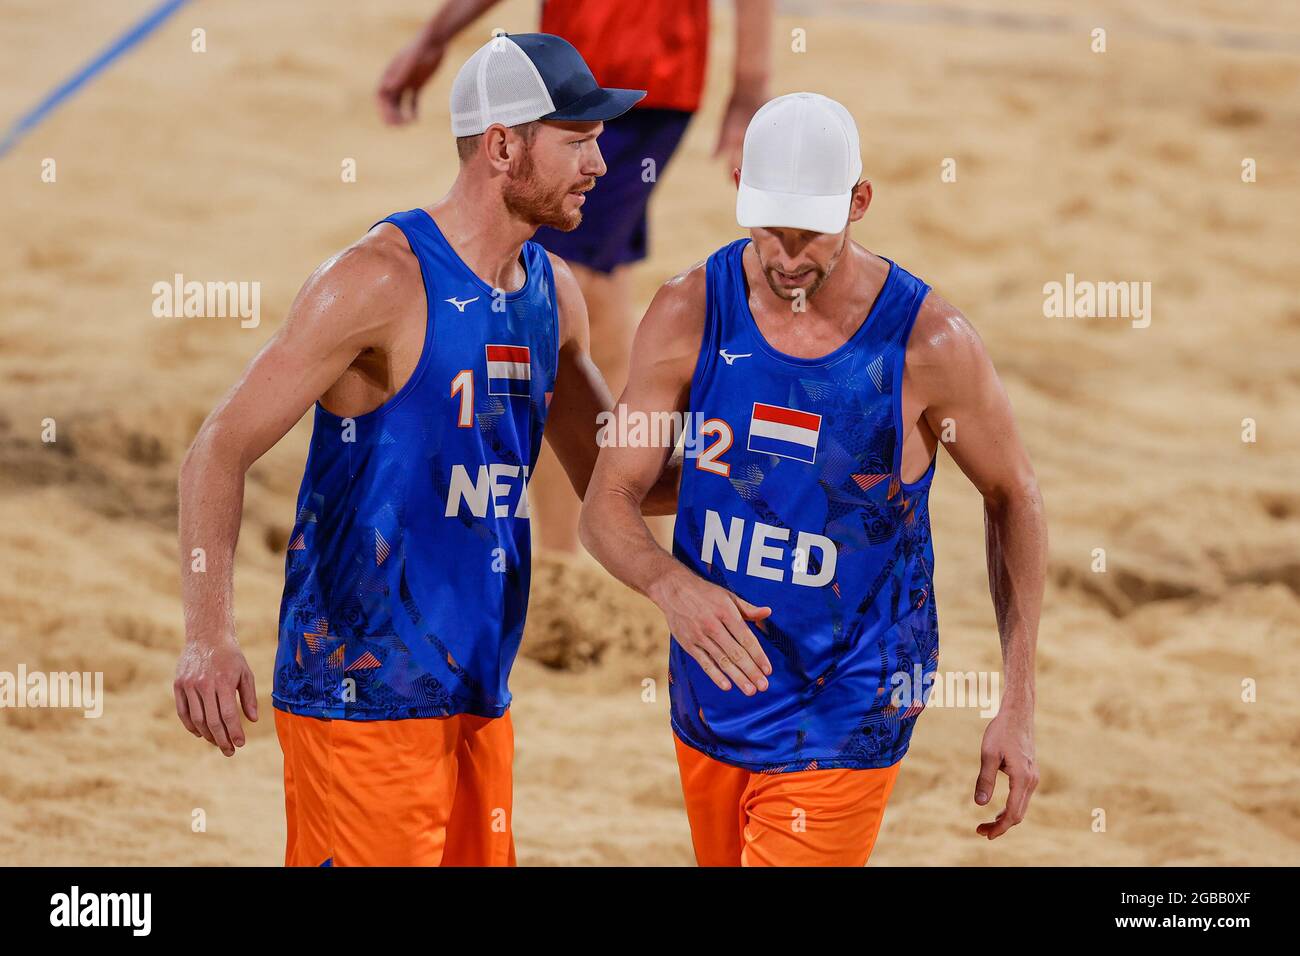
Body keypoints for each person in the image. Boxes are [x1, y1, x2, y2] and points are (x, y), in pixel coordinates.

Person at [174, 34, 677, 867]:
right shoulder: (377, 281)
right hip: (361, 695)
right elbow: (217, 451)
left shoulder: (554, 296)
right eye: (578, 139)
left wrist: (777, 468)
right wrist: (207, 635)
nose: (601, 162)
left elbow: (615, 482)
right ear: (503, 146)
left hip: (478, 692)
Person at [579, 93, 1046, 866]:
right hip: (714, 688)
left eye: (812, 233)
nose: (789, 255)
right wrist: (670, 584)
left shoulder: (930, 343)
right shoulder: (686, 310)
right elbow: (609, 501)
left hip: (852, 702)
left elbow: (1014, 495)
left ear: (860, 202)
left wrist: (1018, 702)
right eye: (770, 228)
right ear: (737, 188)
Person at [377, 0, 773, 552]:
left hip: (642, 71)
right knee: (591, 304)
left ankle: (568, 555)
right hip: (576, 70)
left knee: (557, 304)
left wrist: (752, 76)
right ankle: (618, 545)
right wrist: (435, 36)